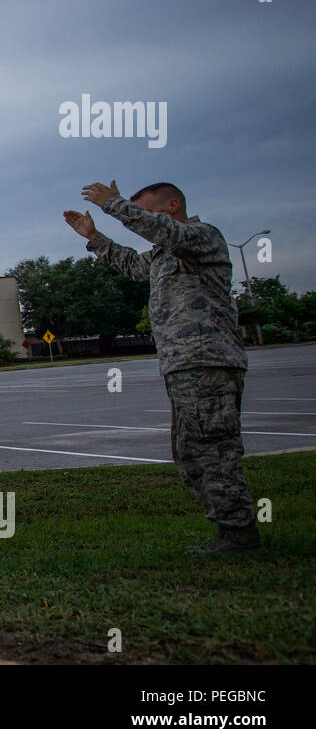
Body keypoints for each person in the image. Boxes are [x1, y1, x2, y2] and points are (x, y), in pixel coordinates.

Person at [64, 180, 260, 554]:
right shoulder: (162, 256)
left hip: (208, 360)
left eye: (148, 212)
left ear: (173, 206)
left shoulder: (202, 237)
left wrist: (115, 204)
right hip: (183, 364)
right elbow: (134, 266)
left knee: (214, 449)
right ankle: (228, 529)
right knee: (189, 451)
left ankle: (240, 534)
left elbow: (160, 231)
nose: (142, 221)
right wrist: (94, 237)